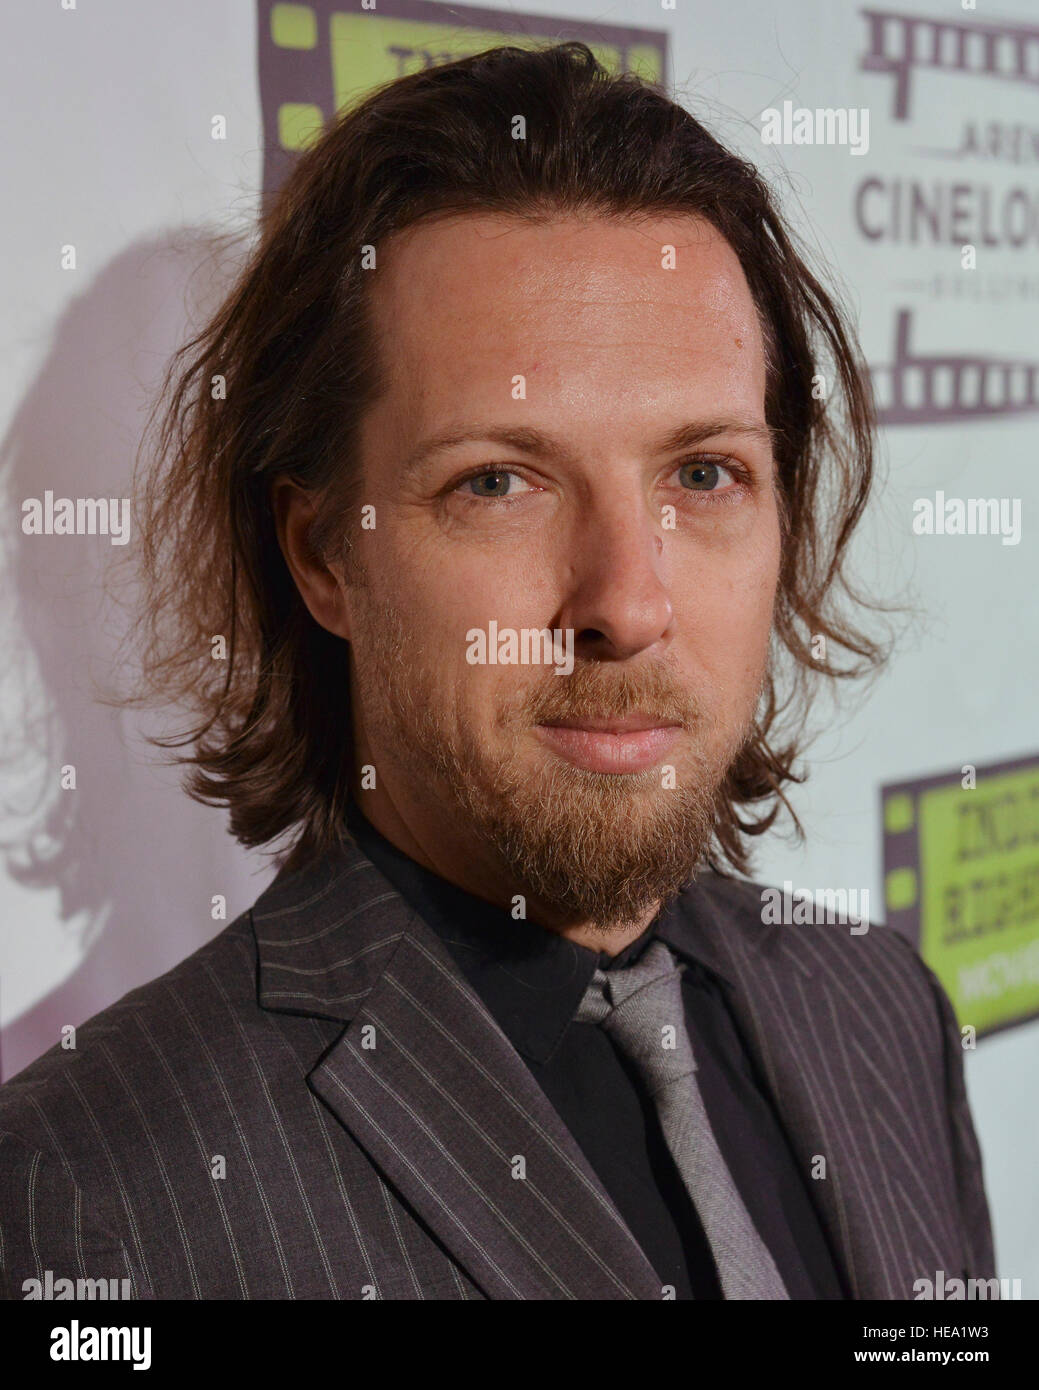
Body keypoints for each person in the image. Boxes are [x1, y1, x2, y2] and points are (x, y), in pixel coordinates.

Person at [0, 41, 994, 1300]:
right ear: (323, 556)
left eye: (703, 473)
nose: (627, 604)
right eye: (498, 482)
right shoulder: (91, 1195)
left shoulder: (885, 1008)